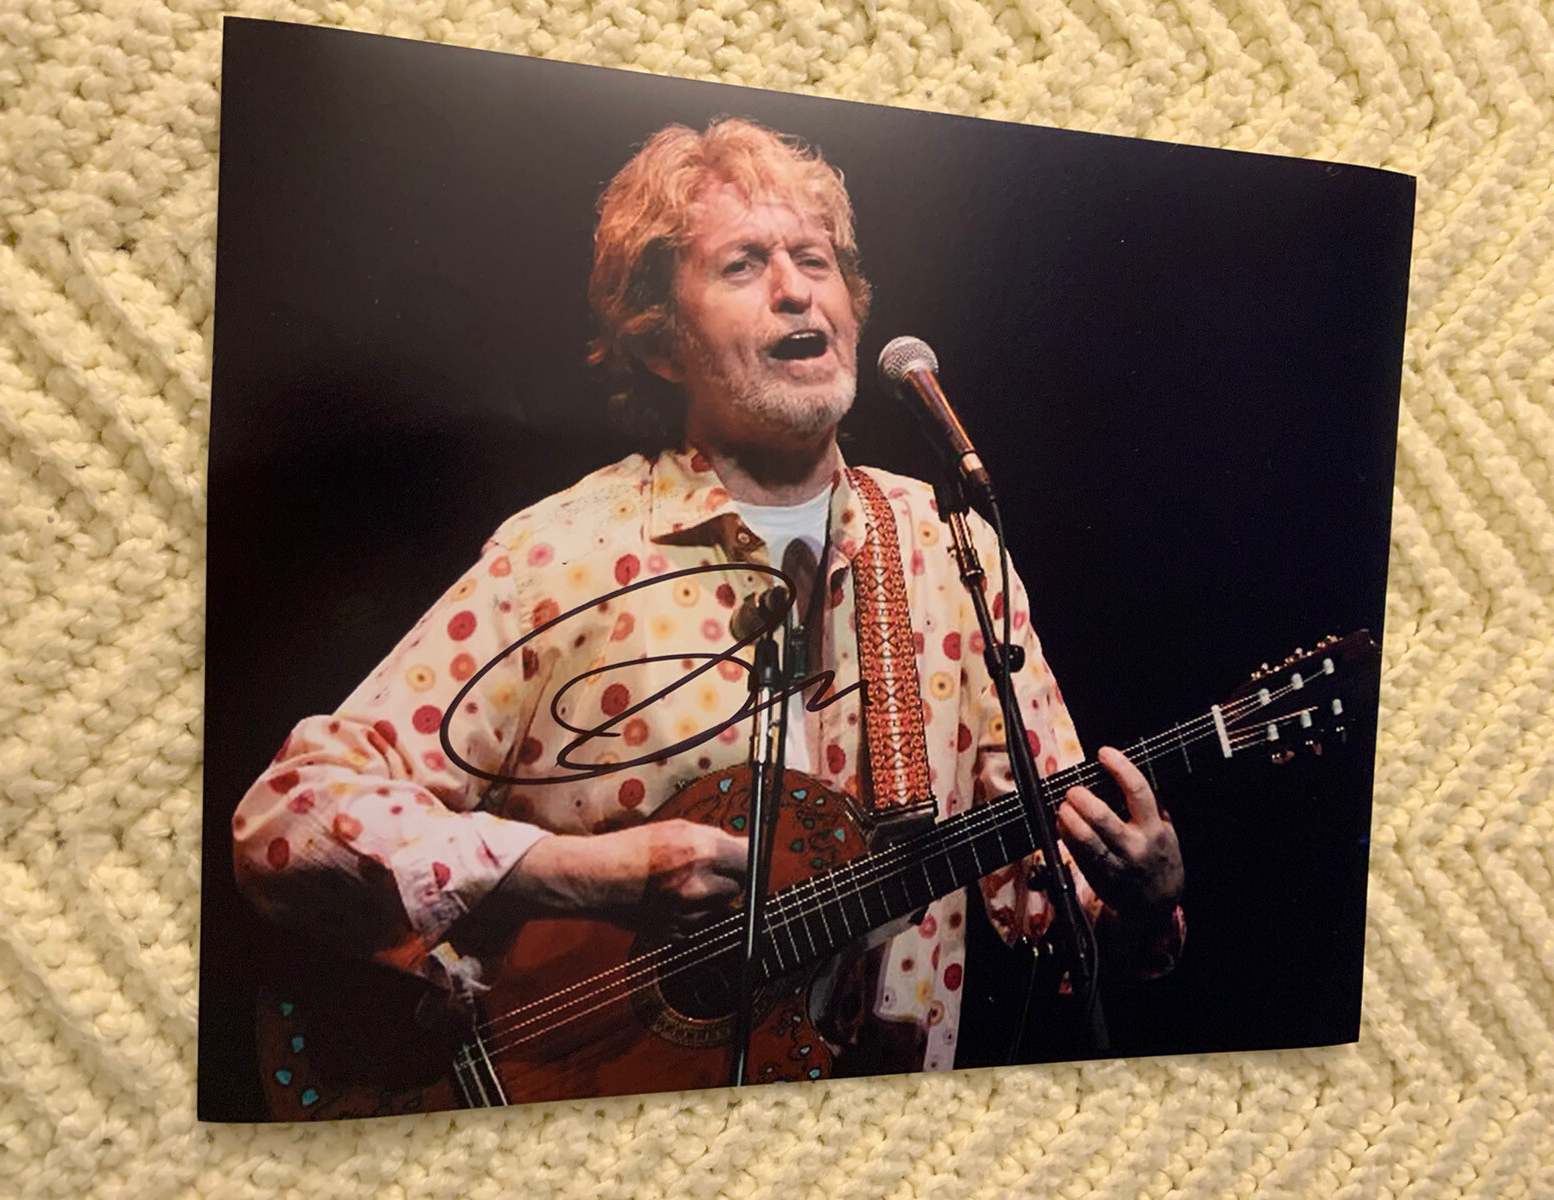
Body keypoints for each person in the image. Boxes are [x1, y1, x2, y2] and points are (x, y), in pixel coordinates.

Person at [232, 117, 1185, 1091]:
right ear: (659, 341)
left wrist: (1137, 905)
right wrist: (585, 875)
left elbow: (1044, 900)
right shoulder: (565, 553)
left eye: (813, 260)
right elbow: (292, 821)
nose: (794, 287)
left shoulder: (949, 549)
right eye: (742, 265)